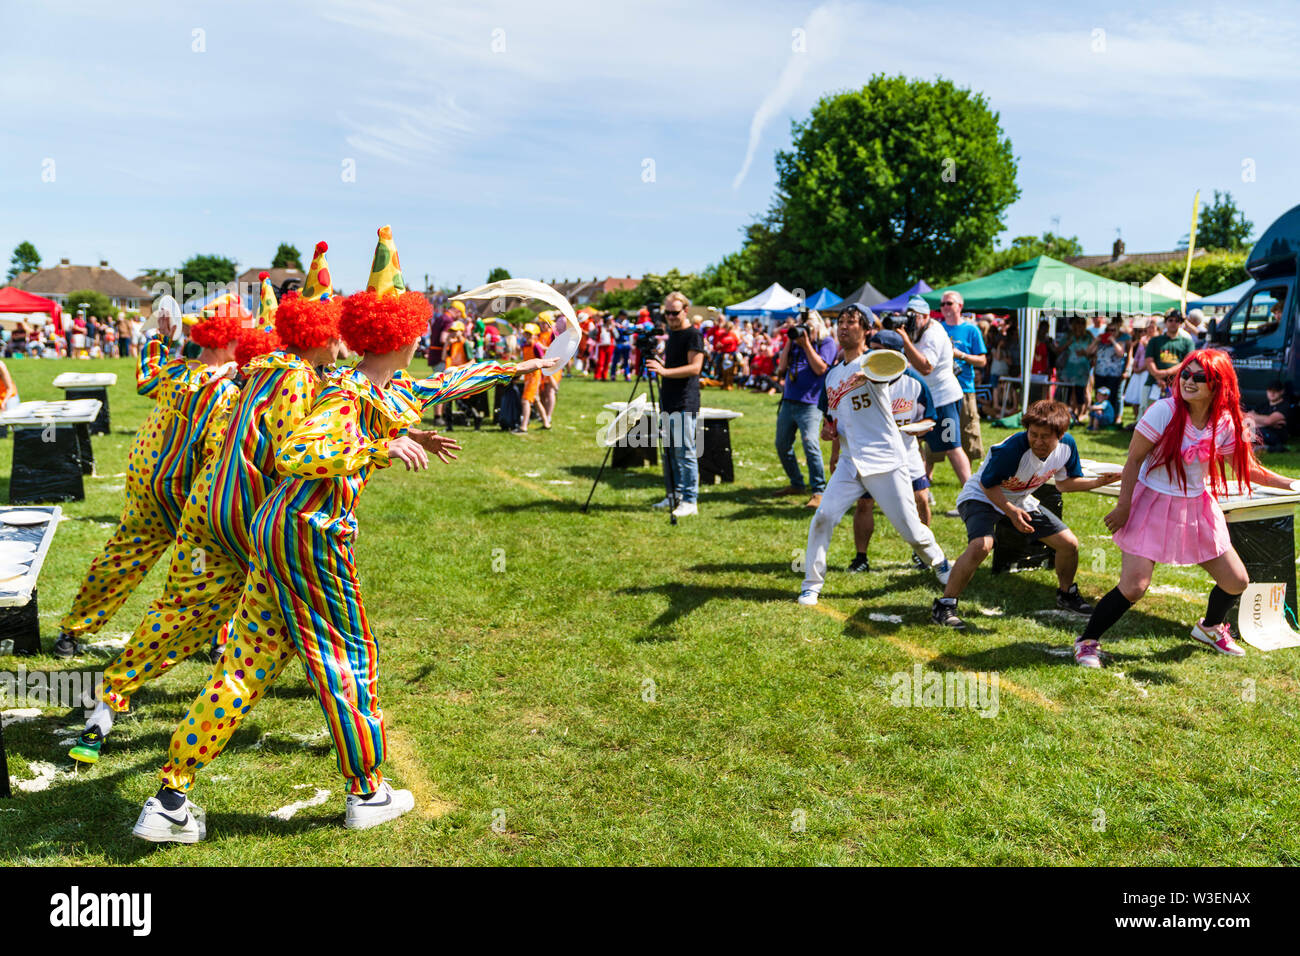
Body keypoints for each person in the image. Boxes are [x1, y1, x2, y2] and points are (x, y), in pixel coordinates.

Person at [132, 225, 555, 842]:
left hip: (277, 529)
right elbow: (303, 450)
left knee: (247, 664)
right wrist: (384, 446)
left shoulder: (384, 388)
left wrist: (532, 362)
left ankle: (170, 797)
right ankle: (367, 792)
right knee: (347, 658)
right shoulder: (343, 395)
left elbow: (456, 382)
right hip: (309, 532)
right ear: (404, 335)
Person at [70, 272, 289, 764]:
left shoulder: (183, 373)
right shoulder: (233, 387)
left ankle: (89, 656)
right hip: (206, 504)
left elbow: (147, 374)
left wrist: (159, 335)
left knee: (161, 588)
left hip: (174, 496)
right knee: (267, 608)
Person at [1073, 350, 1299, 668]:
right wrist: (1124, 506)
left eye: (1199, 377)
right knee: (1134, 587)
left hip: (1197, 509)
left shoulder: (1223, 423)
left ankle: (1209, 627)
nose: (1189, 381)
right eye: (1185, 375)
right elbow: (1133, 460)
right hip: (1151, 503)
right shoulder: (1162, 412)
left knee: (1236, 581)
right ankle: (1087, 642)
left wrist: (1292, 484)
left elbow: (1248, 469)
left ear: (1217, 384)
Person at [51, 298, 246, 658]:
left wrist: (160, 338)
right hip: (186, 491)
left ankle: (71, 631)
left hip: (146, 481)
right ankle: (219, 641)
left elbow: (145, 379)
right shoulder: (224, 392)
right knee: (210, 564)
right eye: (239, 339)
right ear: (225, 340)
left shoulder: (175, 371)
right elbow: (216, 451)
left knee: (122, 558)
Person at [796, 308, 950, 606]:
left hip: (885, 459)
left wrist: (865, 372)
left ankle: (940, 562)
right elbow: (833, 418)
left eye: (851, 323)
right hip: (851, 461)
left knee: (911, 530)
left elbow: (897, 363)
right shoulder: (832, 374)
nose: (843, 328)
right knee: (823, 517)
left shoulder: (876, 361)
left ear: (866, 330)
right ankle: (811, 584)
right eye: (839, 323)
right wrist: (830, 432)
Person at [931, 400, 1118, 628]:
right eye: (1033, 434)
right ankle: (945, 605)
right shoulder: (1011, 450)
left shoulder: (1067, 447)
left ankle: (1066, 594)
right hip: (981, 496)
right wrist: (1011, 512)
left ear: (1060, 434)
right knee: (981, 545)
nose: (1038, 441)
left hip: (1019, 499)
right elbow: (987, 485)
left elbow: (1064, 484)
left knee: (1069, 544)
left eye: (1045, 436)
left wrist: (1098, 482)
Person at [836, 326, 936, 574]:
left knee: (921, 498)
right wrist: (836, 450)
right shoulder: (860, 382)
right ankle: (861, 557)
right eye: (871, 351)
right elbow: (842, 420)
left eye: (879, 352)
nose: (871, 357)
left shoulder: (915, 383)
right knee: (864, 504)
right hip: (873, 453)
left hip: (907, 451)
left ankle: (922, 553)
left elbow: (931, 418)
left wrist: (920, 429)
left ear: (895, 356)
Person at [897, 295, 970, 509]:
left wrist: (905, 340)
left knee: (952, 447)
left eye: (914, 317)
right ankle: (922, 491)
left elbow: (925, 366)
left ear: (925, 316)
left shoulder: (933, 333)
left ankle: (971, 497)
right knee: (913, 442)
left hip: (943, 399)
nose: (910, 320)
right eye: (908, 315)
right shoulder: (915, 330)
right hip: (922, 399)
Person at [644, 291, 704, 517]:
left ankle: (690, 499)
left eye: (674, 312)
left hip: (685, 401)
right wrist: (659, 363)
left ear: (686, 310)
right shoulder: (672, 334)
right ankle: (674, 494)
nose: (669, 317)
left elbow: (695, 368)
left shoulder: (693, 335)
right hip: (668, 399)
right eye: (666, 313)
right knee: (669, 451)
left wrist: (664, 371)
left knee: (686, 452)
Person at [773, 310, 838, 509]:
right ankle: (797, 483)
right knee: (782, 444)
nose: (805, 329)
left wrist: (807, 344)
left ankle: (818, 490)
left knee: (810, 445)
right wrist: (789, 341)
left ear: (818, 325)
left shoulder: (826, 343)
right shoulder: (794, 344)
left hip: (811, 403)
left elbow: (820, 369)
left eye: (809, 324)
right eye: (803, 324)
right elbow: (781, 369)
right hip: (789, 400)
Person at [938, 289, 986, 470]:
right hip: (941, 389)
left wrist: (961, 355)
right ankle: (928, 476)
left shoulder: (971, 329)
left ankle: (969, 474)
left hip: (965, 388)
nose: (944, 307)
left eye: (949, 303)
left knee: (968, 432)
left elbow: (982, 360)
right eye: (942, 304)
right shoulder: (937, 328)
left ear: (960, 306)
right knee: (938, 432)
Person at [1087, 317, 1130, 422]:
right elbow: (1088, 352)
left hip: (1114, 375)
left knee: (1112, 397)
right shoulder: (1100, 342)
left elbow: (1121, 353)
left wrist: (1113, 341)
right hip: (1100, 373)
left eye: (1113, 330)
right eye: (1108, 330)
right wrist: (1096, 341)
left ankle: (1111, 418)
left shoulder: (1120, 342)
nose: (1110, 333)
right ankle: (1099, 418)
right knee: (1099, 396)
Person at [1144, 311, 1194, 400]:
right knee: (1147, 411)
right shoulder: (1155, 340)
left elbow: (1187, 363)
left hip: (1176, 385)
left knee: (1174, 413)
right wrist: (1157, 377)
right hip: (1153, 383)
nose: (1173, 323)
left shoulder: (1187, 342)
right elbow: (1149, 360)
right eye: (1170, 320)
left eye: (1177, 321)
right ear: (1165, 322)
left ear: (1180, 323)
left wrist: (1166, 372)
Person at [1245, 380, 1297, 453]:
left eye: (1275, 391)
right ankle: (1256, 447)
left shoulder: (1284, 406)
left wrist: (1255, 418)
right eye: (1270, 390)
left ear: (1281, 391)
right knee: (1246, 428)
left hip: (1276, 435)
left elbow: (1268, 421)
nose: (1272, 393)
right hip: (1262, 431)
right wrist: (1266, 423)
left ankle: (1267, 448)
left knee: (1251, 430)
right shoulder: (1264, 405)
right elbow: (1247, 417)